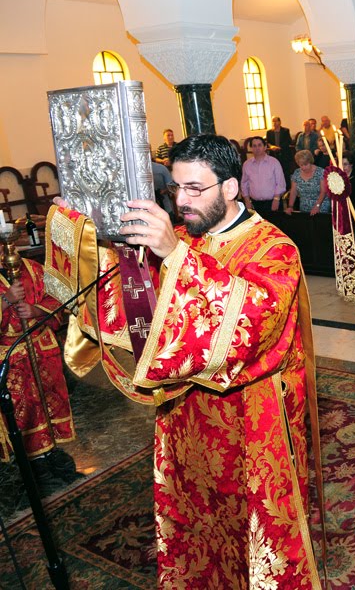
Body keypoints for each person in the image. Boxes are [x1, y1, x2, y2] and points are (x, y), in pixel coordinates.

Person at [49, 134, 321, 587]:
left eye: (196, 189)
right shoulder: (175, 238)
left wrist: (175, 257)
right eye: (176, 188)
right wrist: (82, 233)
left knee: (254, 525)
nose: (182, 201)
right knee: (196, 514)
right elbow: (129, 310)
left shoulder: (275, 249)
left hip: (252, 421)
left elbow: (249, 328)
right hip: (182, 414)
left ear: (231, 188)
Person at [0, 257, 80, 487]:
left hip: (42, 350)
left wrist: (36, 310)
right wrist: (6, 300)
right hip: (12, 357)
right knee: (24, 412)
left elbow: (56, 298)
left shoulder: (31, 267)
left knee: (49, 406)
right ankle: (37, 466)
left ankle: (52, 455)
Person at [241, 136, 285, 215]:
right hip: (255, 205)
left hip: (272, 203)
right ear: (251, 148)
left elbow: (280, 183)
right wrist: (247, 201)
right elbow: (244, 183)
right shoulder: (247, 164)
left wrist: (276, 199)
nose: (257, 148)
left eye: (259, 145)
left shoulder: (274, 162)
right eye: (254, 146)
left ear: (265, 147)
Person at [286, 149, 330, 216]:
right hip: (304, 207)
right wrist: (290, 206)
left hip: (321, 206)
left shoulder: (321, 172)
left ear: (310, 161)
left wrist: (317, 206)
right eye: (301, 165)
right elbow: (293, 191)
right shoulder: (297, 173)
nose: (303, 167)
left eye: (305, 164)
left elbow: (323, 191)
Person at [266, 115, 295, 180]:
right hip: (274, 154)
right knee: (275, 172)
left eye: (275, 121)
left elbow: (288, 141)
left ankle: (287, 187)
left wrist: (279, 147)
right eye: (273, 121)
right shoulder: (269, 132)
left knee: (285, 172)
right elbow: (268, 142)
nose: (274, 123)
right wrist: (271, 146)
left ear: (279, 122)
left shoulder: (285, 131)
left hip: (284, 154)